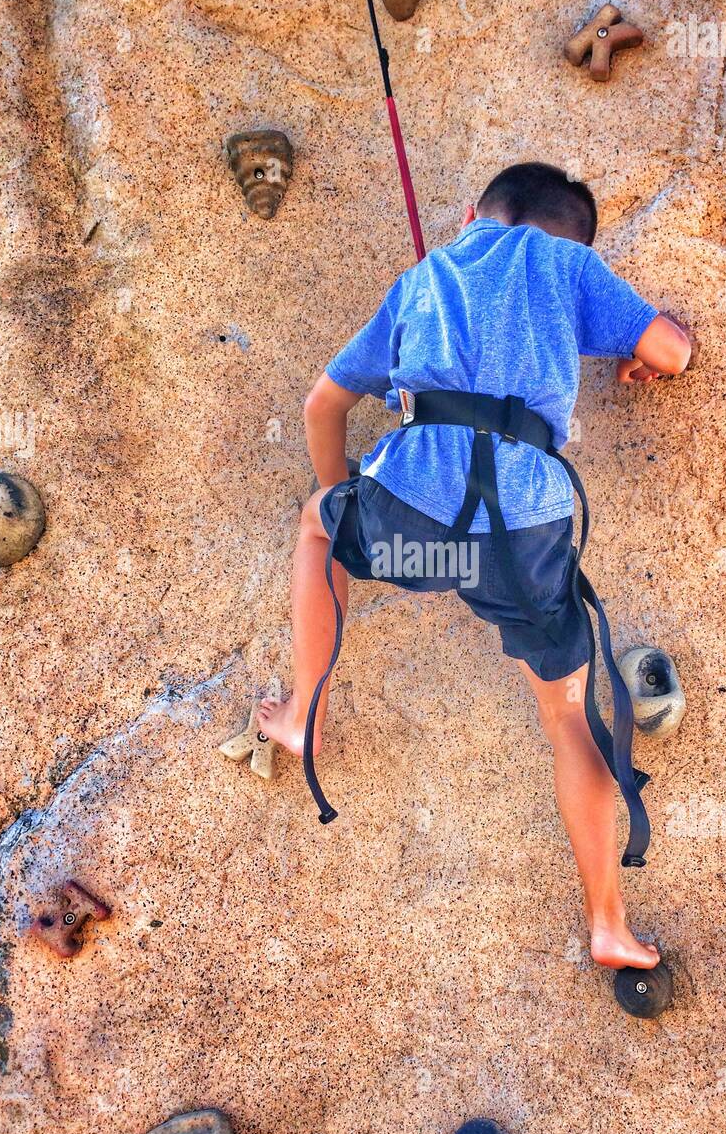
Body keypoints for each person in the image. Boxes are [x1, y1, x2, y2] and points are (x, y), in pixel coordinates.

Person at [258, 162, 692, 970]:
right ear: (572, 240)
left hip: (412, 526)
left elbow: (324, 404)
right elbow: (669, 347)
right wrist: (650, 361)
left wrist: (348, 504)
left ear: (470, 216)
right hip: (524, 538)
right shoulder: (570, 267)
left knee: (318, 530)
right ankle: (609, 927)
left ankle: (302, 716)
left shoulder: (425, 275)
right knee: (567, 716)